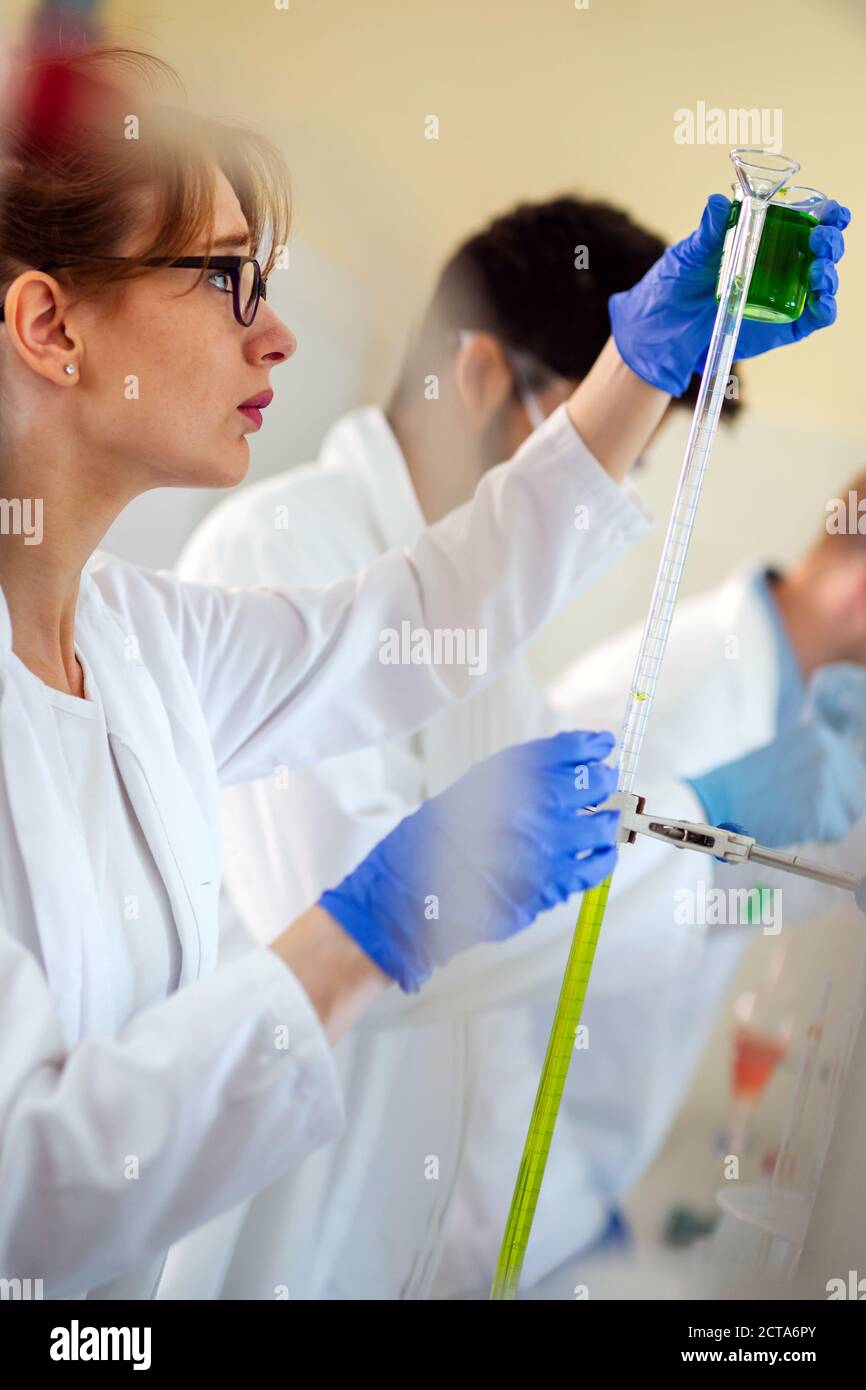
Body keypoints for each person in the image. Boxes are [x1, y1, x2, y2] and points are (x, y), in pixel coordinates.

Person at [2, 44, 844, 1301]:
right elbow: (31, 1191)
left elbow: (419, 615)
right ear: (50, 326)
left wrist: (640, 369)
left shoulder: (139, 641)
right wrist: (368, 927)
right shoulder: (222, 576)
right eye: (227, 281)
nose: (278, 336)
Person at [172, 195, 858, 1299]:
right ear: (481, 372)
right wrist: (708, 814)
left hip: (395, 1223)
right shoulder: (283, 548)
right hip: (272, 1227)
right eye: (602, 421)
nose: (611, 480)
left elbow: (550, 894)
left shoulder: (474, 637)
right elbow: (371, 942)